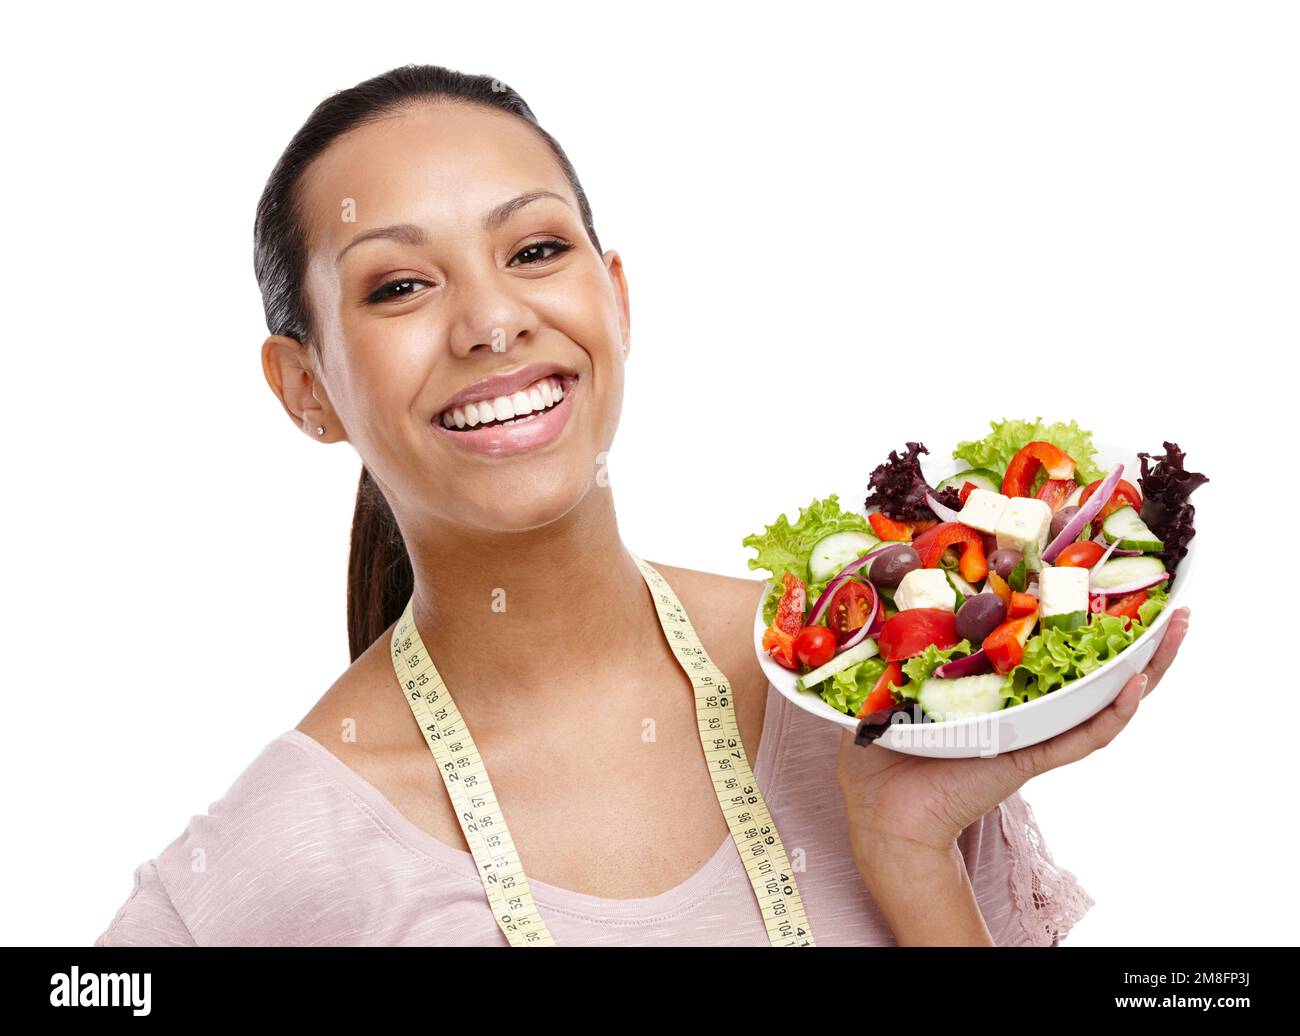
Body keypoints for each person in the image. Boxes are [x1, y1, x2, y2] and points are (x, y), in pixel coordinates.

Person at [93, 64, 1190, 948]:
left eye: (533, 250)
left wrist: (907, 856)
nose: (491, 321)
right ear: (305, 389)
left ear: (613, 298)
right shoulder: (265, 871)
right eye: (399, 286)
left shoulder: (858, 684)